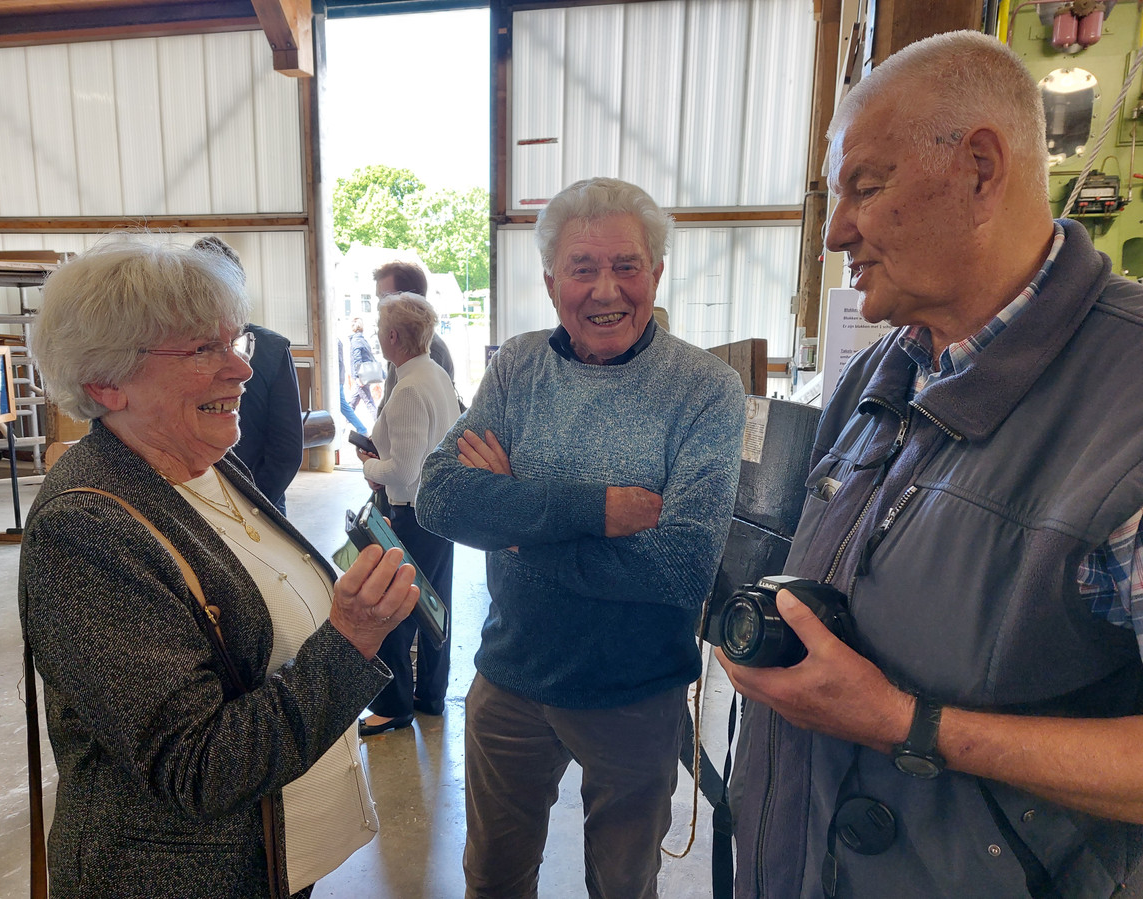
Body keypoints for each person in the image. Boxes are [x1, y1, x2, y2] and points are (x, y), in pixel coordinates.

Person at [716, 30, 1143, 899]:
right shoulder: (886, 366)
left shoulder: (1126, 402)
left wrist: (909, 724)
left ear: (981, 169)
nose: (835, 231)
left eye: (866, 188)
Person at [20, 239, 420, 898]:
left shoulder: (210, 461)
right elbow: (199, 767)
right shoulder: (85, 529)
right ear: (105, 382)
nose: (241, 367)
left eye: (236, 341)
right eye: (203, 349)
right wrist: (350, 640)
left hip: (278, 859)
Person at [416, 176, 746, 899]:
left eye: (627, 266)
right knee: (493, 878)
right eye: (582, 268)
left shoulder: (705, 388)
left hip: (635, 694)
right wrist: (597, 510)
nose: (605, 291)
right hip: (511, 678)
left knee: (623, 886)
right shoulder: (517, 366)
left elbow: (680, 569)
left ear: (656, 274)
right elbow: (437, 497)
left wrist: (512, 525)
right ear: (550, 282)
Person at [353, 291, 461, 736]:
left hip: (411, 514)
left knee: (392, 608)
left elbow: (403, 471)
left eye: (380, 330)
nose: (377, 336)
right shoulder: (434, 374)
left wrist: (369, 468)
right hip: (438, 512)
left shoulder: (408, 390)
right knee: (435, 606)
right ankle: (430, 695)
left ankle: (394, 705)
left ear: (393, 337)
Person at [192, 236, 303, 514]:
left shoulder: (272, 349)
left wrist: (252, 504)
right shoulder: (172, 348)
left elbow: (286, 450)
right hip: (221, 500)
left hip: (252, 500)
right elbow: (287, 450)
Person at [371, 260, 456, 414]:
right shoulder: (400, 344)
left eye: (385, 298)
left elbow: (411, 415)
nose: (380, 306)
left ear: (410, 301)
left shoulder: (430, 351)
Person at [347, 317, 381, 426]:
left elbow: (357, 359)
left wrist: (358, 377)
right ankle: (345, 424)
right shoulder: (363, 340)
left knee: (369, 402)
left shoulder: (355, 341)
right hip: (365, 375)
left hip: (361, 377)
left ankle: (379, 425)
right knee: (353, 402)